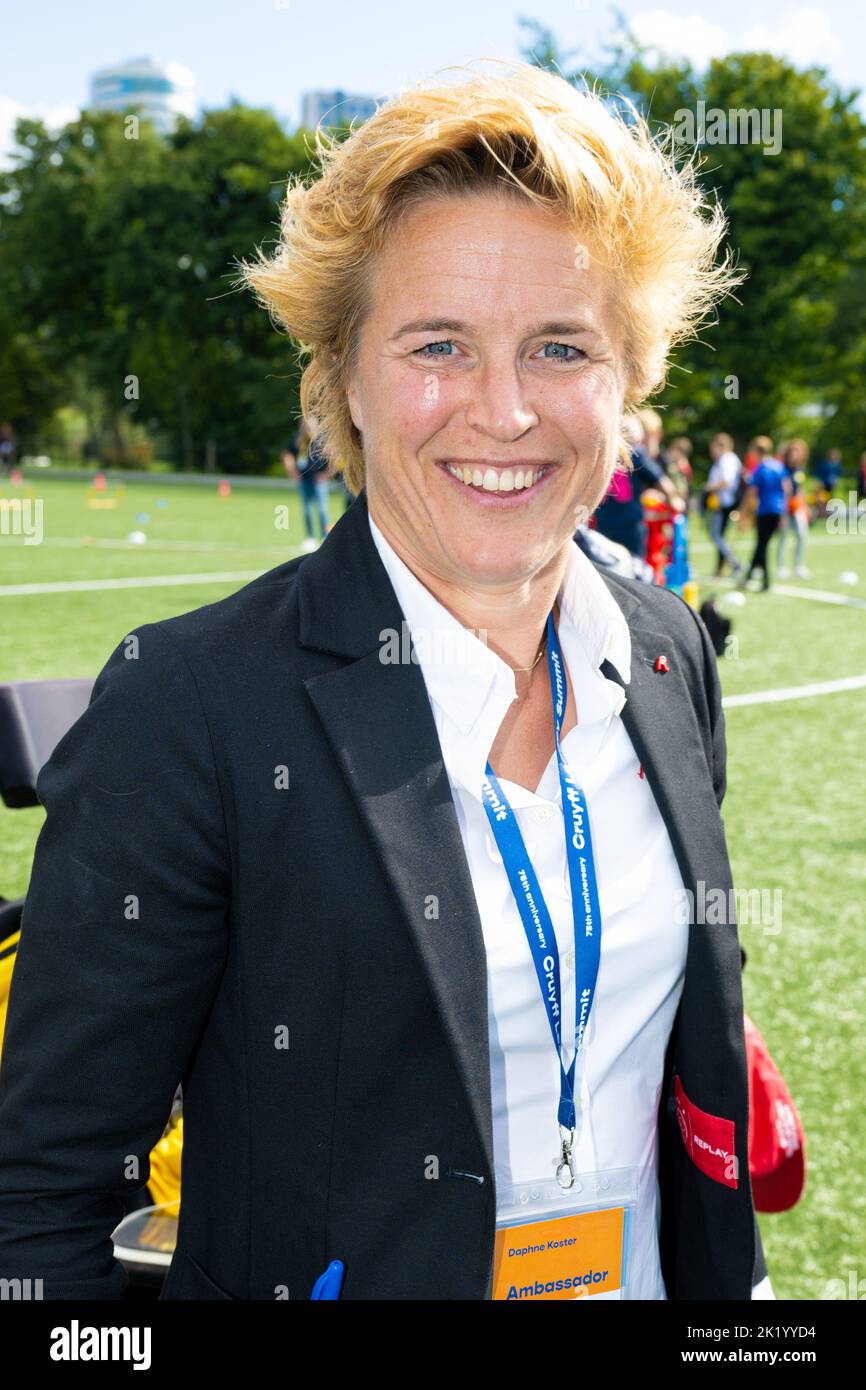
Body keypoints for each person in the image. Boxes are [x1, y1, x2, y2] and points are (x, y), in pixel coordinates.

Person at [0, 60, 771, 1301]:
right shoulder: (188, 707)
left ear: (630, 380)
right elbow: (39, 1203)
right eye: (437, 344)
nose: (505, 409)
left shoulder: (665, 648)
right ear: (342, 378)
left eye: (560, 346)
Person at [739, 438, 791, 592]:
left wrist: (743, 512)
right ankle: (748, 576)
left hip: (765, 511)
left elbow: (751, 493)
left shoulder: (760, 469)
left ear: (757, 451)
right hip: (778, 510)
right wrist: (785, 512)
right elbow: (787, 490)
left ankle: (766, 580)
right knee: (761, 544)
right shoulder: (779, 466)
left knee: (762, 546)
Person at [283, 414, 331, 548]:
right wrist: (294, 474)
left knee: (322, 509)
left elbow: (336, 456)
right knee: (306, 510)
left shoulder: (322, 440)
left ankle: (325, 538)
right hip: (304, 480)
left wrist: (326, 475)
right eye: (305, 425)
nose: (307, 427)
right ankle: (310, 537)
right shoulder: (297, 440)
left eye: (310, 425)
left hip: (319, 481)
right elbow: (287, 455)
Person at [704, 433, 744, 577]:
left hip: (724, 503)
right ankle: (720, 569)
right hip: (723, 502)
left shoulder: (727, 460)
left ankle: (735, 563)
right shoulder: (726, 459)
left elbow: (726, 481)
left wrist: (709, 487)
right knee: (718, 536)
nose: (712, 452)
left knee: (716, 536)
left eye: (713, 448)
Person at [775, 438, 811, 579]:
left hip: (796, 508)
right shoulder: (781, 468)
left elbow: (800, 489)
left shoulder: (800, 469)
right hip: (783, 507)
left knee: (802, 535)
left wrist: (805, 506)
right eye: (793, 450)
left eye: (799, 451)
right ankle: (781, 567)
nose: (795, 454)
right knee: (783, 537)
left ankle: (799, 566)